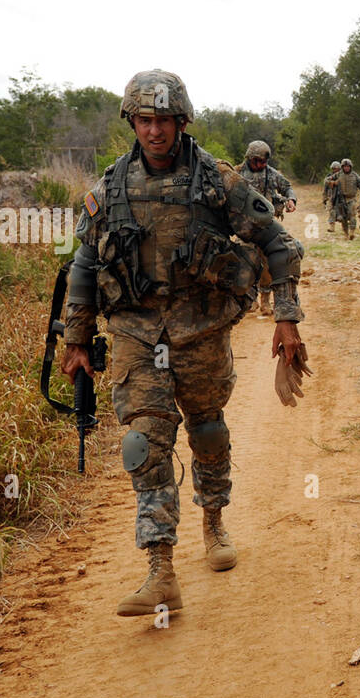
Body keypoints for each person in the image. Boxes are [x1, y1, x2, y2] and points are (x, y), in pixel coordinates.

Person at [60, 69, 308, 616]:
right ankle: (160, 568)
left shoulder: (217, 182)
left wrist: (285, 318)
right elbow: (83, 263)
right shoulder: (110, 187)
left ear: (181, 121)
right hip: (135, 333)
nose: (155, 131)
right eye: (145, 120)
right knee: (142, 444)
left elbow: (279, 244)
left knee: (208, 431)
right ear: (132, 122)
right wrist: (76, 338)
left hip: (200, 332)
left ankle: (214, 519)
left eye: (164, 120)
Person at [237, 140, 297, 317]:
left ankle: (265, 300)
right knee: (245, 263)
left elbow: (287, 187)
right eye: (259, 161)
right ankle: (250, 299)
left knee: (268, 264)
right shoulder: (237, 173)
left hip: (266, 227)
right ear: (250, 158)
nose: (262, 165)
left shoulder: (271, 174)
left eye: (265, 161)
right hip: (244, 227)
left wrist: (291, 199)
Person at [331, 158, 360, 240]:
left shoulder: (355, 176)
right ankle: (346, 233)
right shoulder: (338, 175)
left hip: (352, 199)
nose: (346, 168)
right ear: (342, 167)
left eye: (348, 166)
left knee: (352, 215)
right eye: (344, 166)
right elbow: (327, 180)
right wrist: (333, 183)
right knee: (343, 218)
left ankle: (352, 232)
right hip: (341, 199)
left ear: (350, 167)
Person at [323, 160, 341, 232]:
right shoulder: (329, 177)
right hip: (331, 197)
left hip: (341, 197)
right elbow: (325, 188)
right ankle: (332, 227)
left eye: (336, 168)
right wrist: (324, 198)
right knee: (331, 211)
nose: (334, 170)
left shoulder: (343, 176)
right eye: (333, 168)